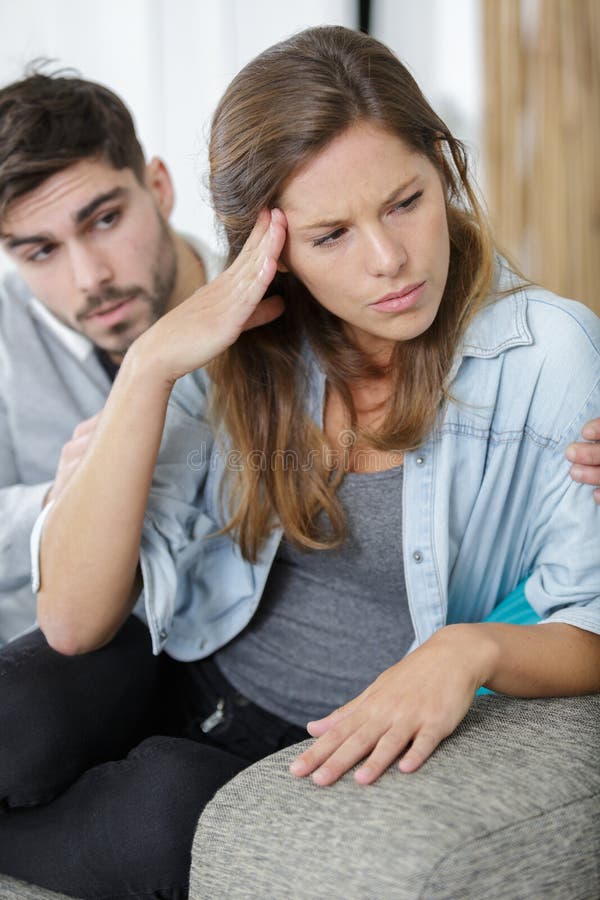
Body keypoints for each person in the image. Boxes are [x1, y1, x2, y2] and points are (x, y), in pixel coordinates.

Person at [1, 25, 599, 900]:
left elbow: (591, 613)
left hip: (312, 730)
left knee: (167, 810)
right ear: (272, 245)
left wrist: (469, 650)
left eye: (405, 201)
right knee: (17, 708)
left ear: (442, 166)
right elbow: (73, 625)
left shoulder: (546, 354)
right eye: (331, 236)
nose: (389, 261)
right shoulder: (239, 345)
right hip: (196, 658)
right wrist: (149, 367)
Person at [0, 68, 220, 643]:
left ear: (160, 188)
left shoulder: (267, 314)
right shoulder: (5, 331)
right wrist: (71, 501)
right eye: (41, 251)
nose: (89, 278)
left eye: (105, 220)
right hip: (45, 652)